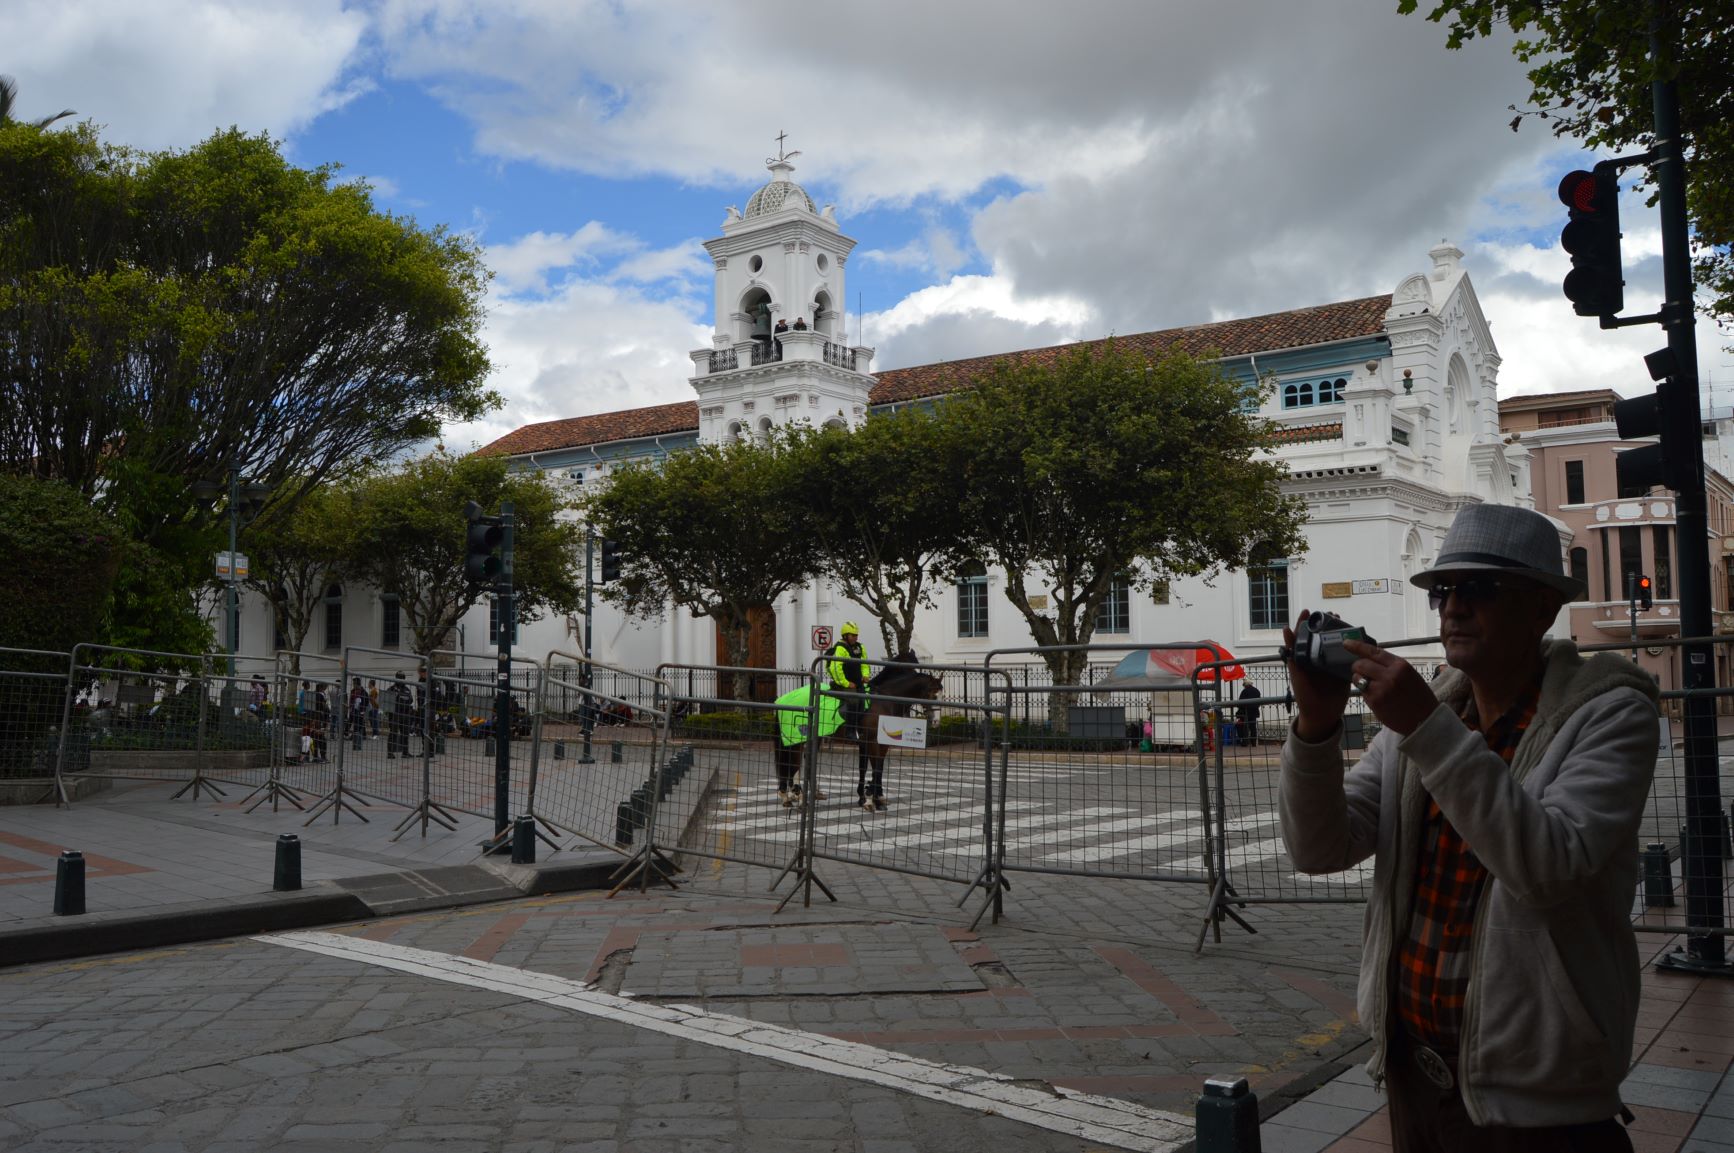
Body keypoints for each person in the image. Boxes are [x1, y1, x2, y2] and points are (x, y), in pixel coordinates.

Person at [1279, 503, 1658, 1152]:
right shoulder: (1431, 714)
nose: (1454, 607)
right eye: (1445, 591)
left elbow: (1548, 864)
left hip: (1538, 1098)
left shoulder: (1608, 714)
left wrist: (1427, 729)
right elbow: (1320, 847)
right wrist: (1316, 727)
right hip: (1412, 1072)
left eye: (1481, 589)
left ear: (1541, 609)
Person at [829, 622, 872, 805]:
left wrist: (865, 675)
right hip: (844, 684)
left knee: (867, 698)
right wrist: (847, 683)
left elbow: (864, 664)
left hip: (858, 683)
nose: (855, 637)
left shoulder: (859, 648)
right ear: (845, 635)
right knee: (854, 700)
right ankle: (850, 730)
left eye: (856, 635)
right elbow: (835, 669)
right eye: (852, 635)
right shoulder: (840, 649)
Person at [1236, 681, 1262, 746]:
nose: (1243, 686)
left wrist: (1240, 708)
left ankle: (1245, 742)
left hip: (1246, 712)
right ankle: (1253, 743)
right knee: (1253, 727)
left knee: (1245, 727)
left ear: (1246, 685)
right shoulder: (1257, 691)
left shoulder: (1245, 691)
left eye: (1244, 685)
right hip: (1254, 712)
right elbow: (1259, 702)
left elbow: (1240, 702)